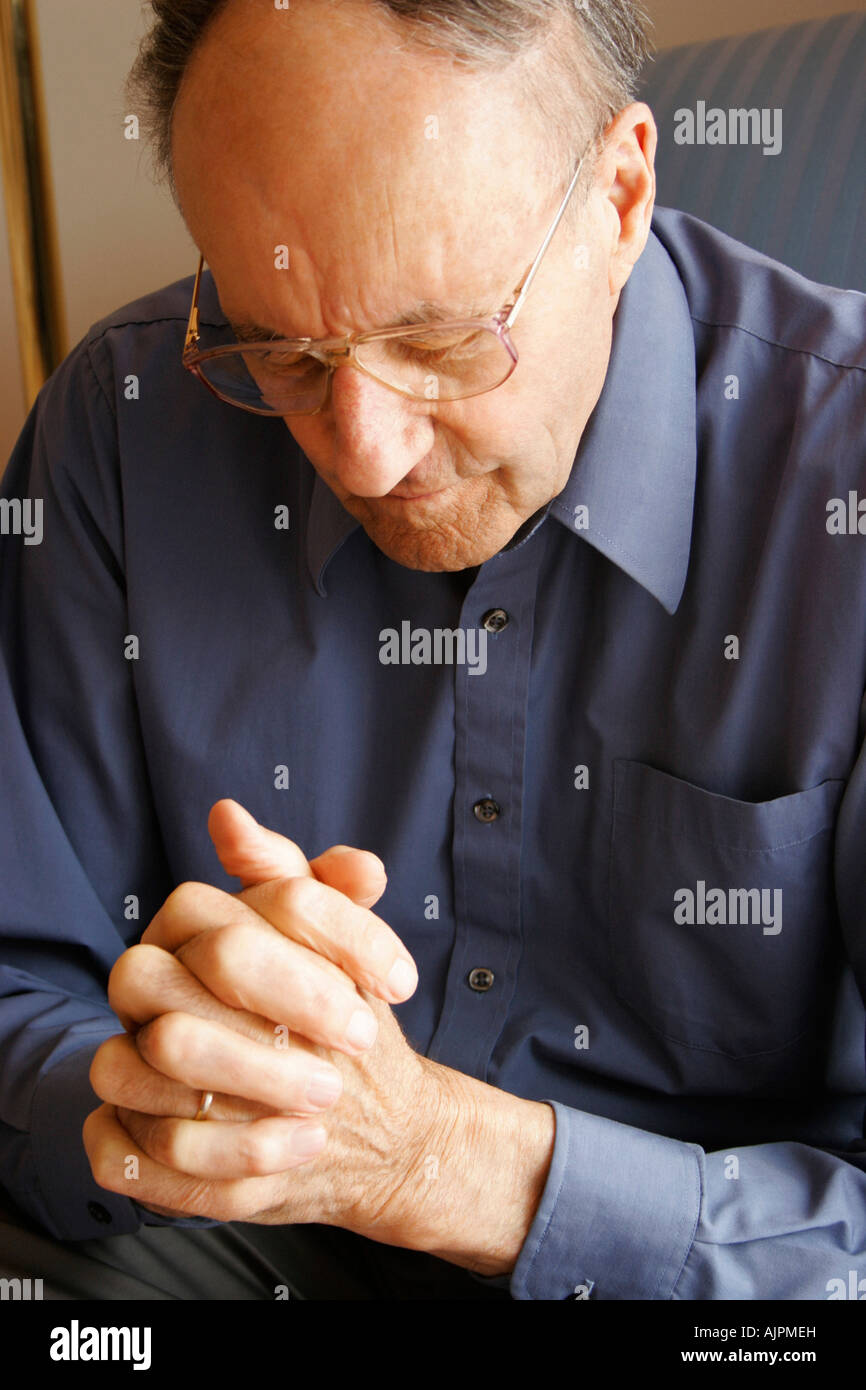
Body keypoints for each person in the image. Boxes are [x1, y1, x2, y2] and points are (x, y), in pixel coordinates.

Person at [0, 0, 864, 1302]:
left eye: (443, 338)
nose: (365, 452)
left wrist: (431, 1163)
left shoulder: (838, 482)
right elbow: (17, 984)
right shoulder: (119, 433)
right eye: (279, 352)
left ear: (621, 195)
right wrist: (162, 1085)